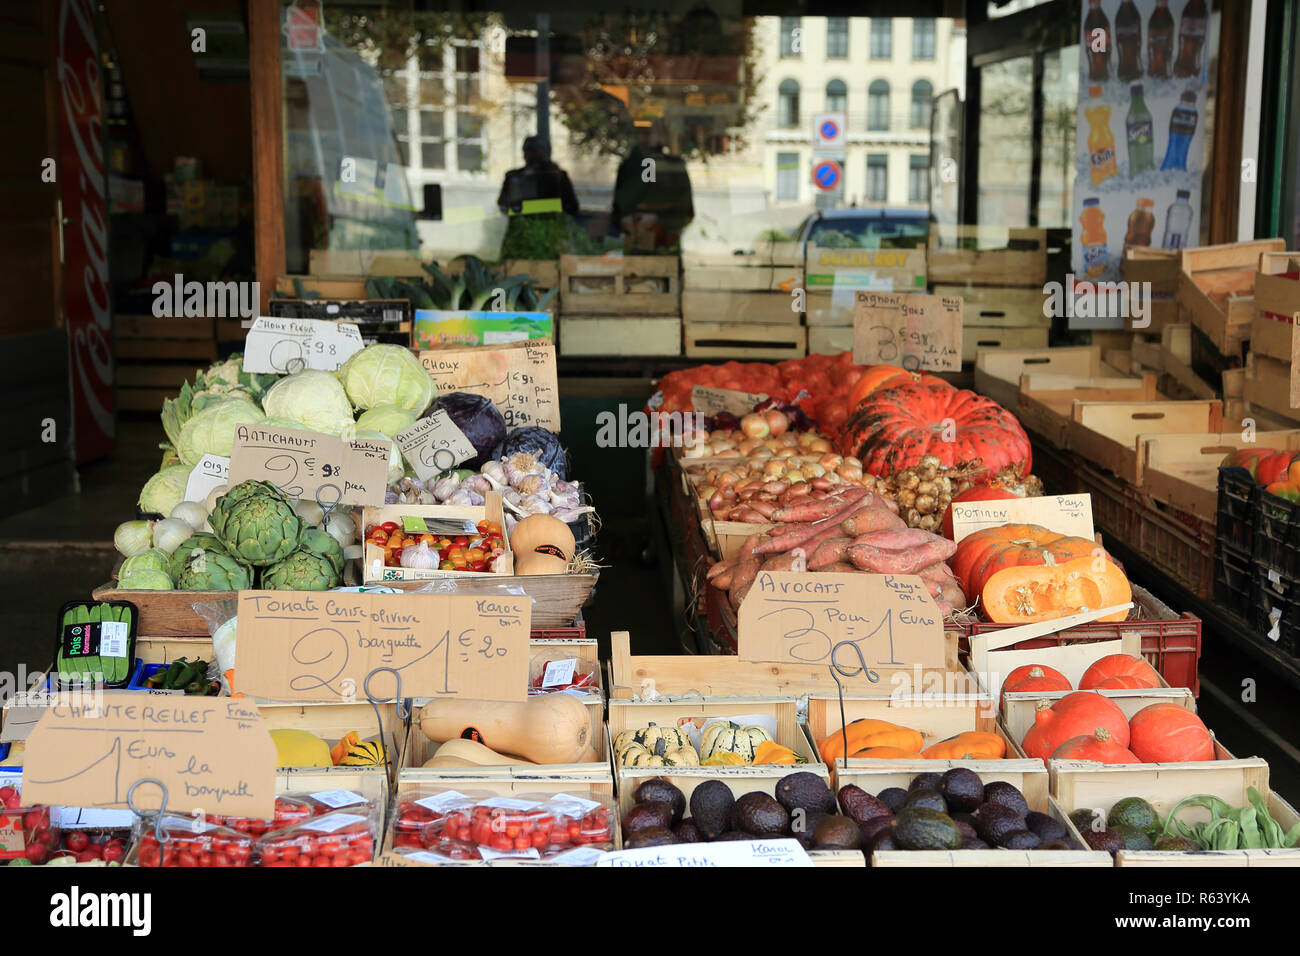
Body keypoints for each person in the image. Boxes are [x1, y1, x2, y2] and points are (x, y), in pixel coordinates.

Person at [611, 120, 694, 251]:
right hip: (648, 233)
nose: (646, 138)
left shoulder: (657, 163)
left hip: (660, 233)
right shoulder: (639, 163)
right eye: (644, 134)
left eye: (649, 134)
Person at [497, 136, 579, 217]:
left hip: (551, 226)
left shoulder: (557, 176)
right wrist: (521, 181)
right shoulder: (514, 176)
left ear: (545, 153)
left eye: (535, 152)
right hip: (523, 226)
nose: (530, 155)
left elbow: (572, 207)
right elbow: (503, 206)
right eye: (528, 151)